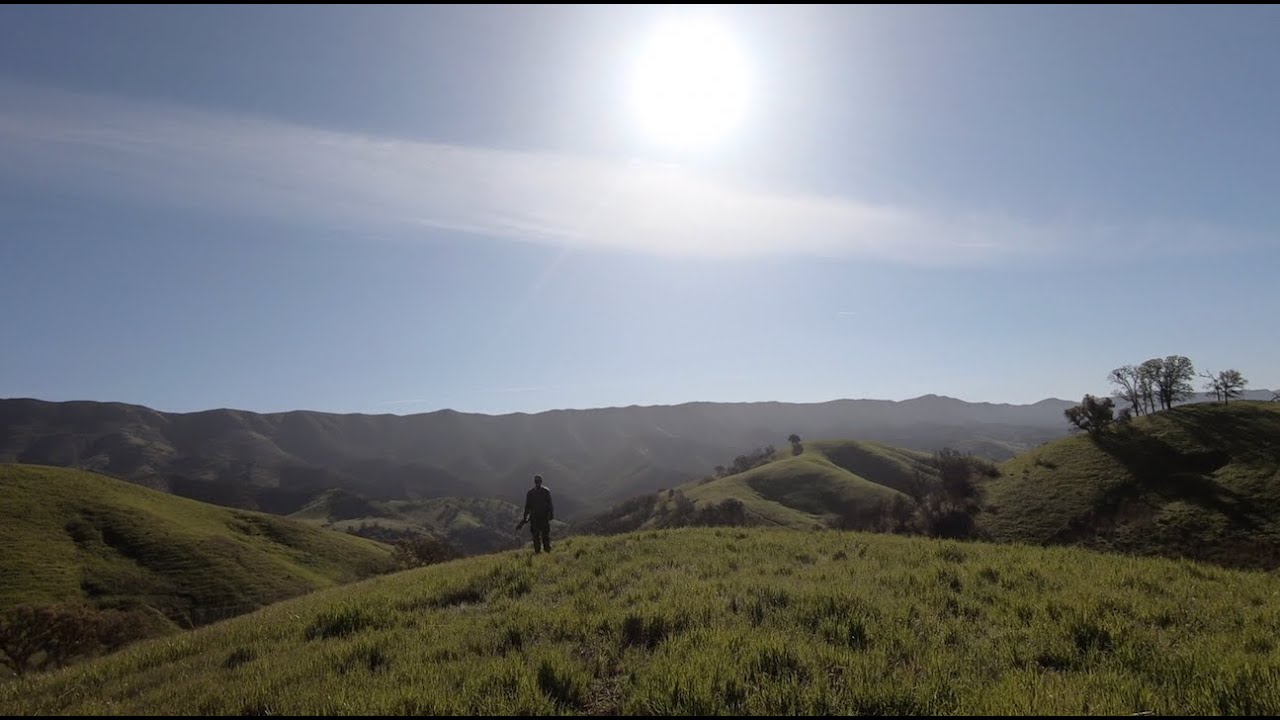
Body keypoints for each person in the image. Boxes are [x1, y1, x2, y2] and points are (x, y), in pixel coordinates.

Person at [518, 474, 554, 553]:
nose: (538, 483)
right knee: (536, 536)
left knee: (544, 535)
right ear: (535, 482)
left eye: (539, 481)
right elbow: (527, 507)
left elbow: (549, 504)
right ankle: (538, 551)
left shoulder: (545, 491)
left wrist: (551, 514)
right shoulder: (531, 493)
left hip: (543, 517)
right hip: (535, 518)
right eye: (537, 481)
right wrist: (525, 518)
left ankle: (546, 550)